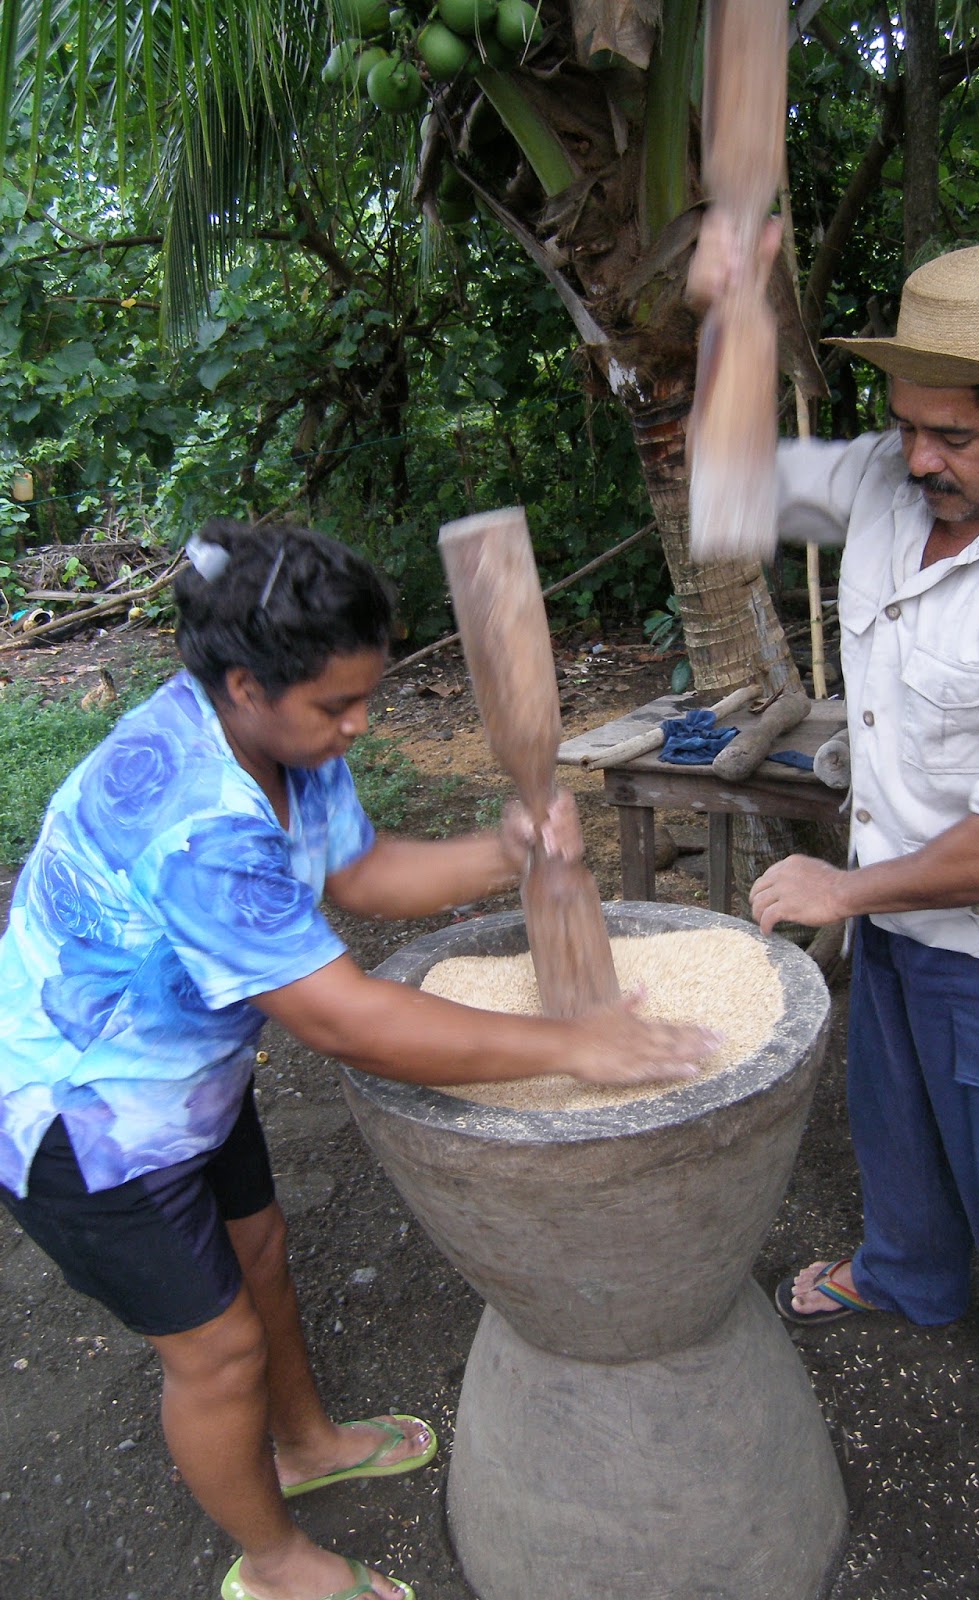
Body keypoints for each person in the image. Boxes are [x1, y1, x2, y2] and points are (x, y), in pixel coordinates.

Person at [0, 518, 716, 1600]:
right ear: (244, 685)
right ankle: (275, 1564)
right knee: (215, 1352)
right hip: (83, 1115)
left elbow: (361, 874)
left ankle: (305, 1445)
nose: (360, 724)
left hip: (186, 1075)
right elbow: (343, 1019)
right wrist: (575, 1043)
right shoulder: (195, 820)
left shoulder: (285, 743)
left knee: (260, 1253)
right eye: (337, 706)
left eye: (364, 696)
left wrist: (506, 850)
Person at [691, 230, 979, 1516]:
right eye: (904, 424)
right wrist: (732, 319)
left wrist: (841, 891)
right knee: (894, 1113)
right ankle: (909, 1270)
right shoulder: (896, 485)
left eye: (954, 435)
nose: (917, 459)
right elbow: (728, 480)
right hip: (902, 902)